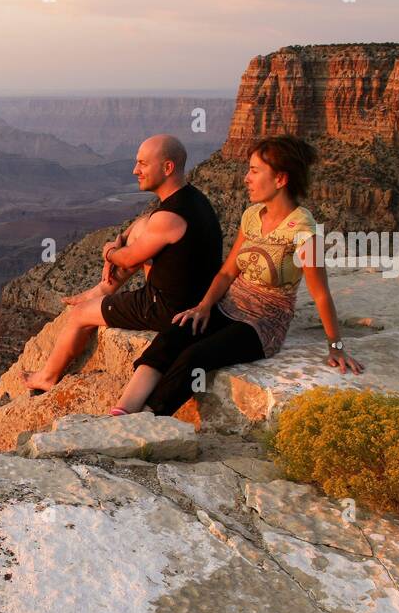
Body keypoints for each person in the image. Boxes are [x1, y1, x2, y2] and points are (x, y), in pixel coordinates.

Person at [109, 135, 364, 417]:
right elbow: (228, 272)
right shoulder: (252, 216)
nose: (246, 178)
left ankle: (147, 417)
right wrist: (203, 307)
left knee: (197, 356)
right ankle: (123, 409)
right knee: (174, 335)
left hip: (263, 323)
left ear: (280, 179)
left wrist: (336, 347)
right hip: (228, 306)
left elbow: (320, 294)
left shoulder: (303, 233)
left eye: (255, 171)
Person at [22, 134, 221, 392]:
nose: (135, 170)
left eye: (142, 164)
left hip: (166, 308)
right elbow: (146, 225)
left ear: (168, 167)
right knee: (140, 229)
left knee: (80, 314)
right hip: (193, 297)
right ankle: (103, 290)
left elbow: (128, 258)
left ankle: (47, 377)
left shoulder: (170, 218)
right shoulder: (192, 200)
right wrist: (126, 237)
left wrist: (110, 252)